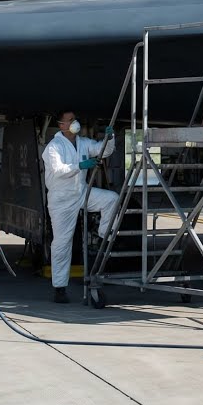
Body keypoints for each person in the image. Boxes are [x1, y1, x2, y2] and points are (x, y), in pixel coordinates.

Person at [42, 111, 118, 303]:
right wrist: (81, 165)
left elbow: (104, 151)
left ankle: (104, 237)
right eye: (70, 120)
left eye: (75, 119)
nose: (75, 122)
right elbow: (59, 171)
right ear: (61, 125)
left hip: (81, 192)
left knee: (112, 199)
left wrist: (110, 138)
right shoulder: (54, 147)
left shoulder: (83, 142)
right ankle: (59, 287)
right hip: (61, 199)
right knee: (62, 242)